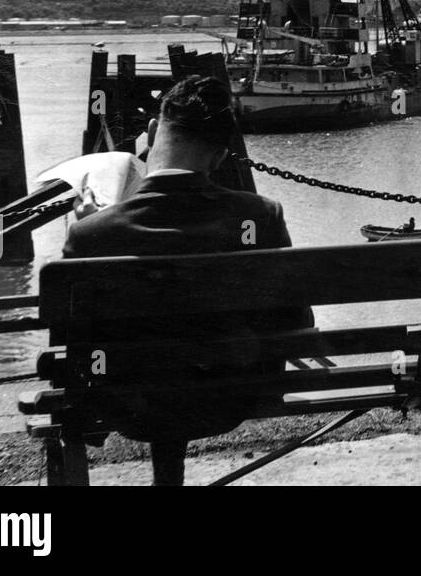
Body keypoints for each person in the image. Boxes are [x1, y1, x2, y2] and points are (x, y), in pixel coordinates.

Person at [63, 75, 313, 485]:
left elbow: (78, 342)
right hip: (231, 399)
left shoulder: (90, 234)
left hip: (130, 405)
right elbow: (296, 324)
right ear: (220, 155)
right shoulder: (263, 216)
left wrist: (96, 229)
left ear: (151, 134)